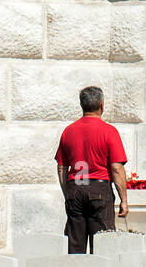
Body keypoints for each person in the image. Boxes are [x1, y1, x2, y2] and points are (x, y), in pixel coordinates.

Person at [55, 85, 128, 254]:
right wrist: (123, 199)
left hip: (75, 187)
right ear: (102, 105)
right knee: (102, 245)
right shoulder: (109, 131)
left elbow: (61, 167)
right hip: (99, 189)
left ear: (82, 105)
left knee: (75, 244)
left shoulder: (68, 131)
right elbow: (116, 168)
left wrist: (68, 192)